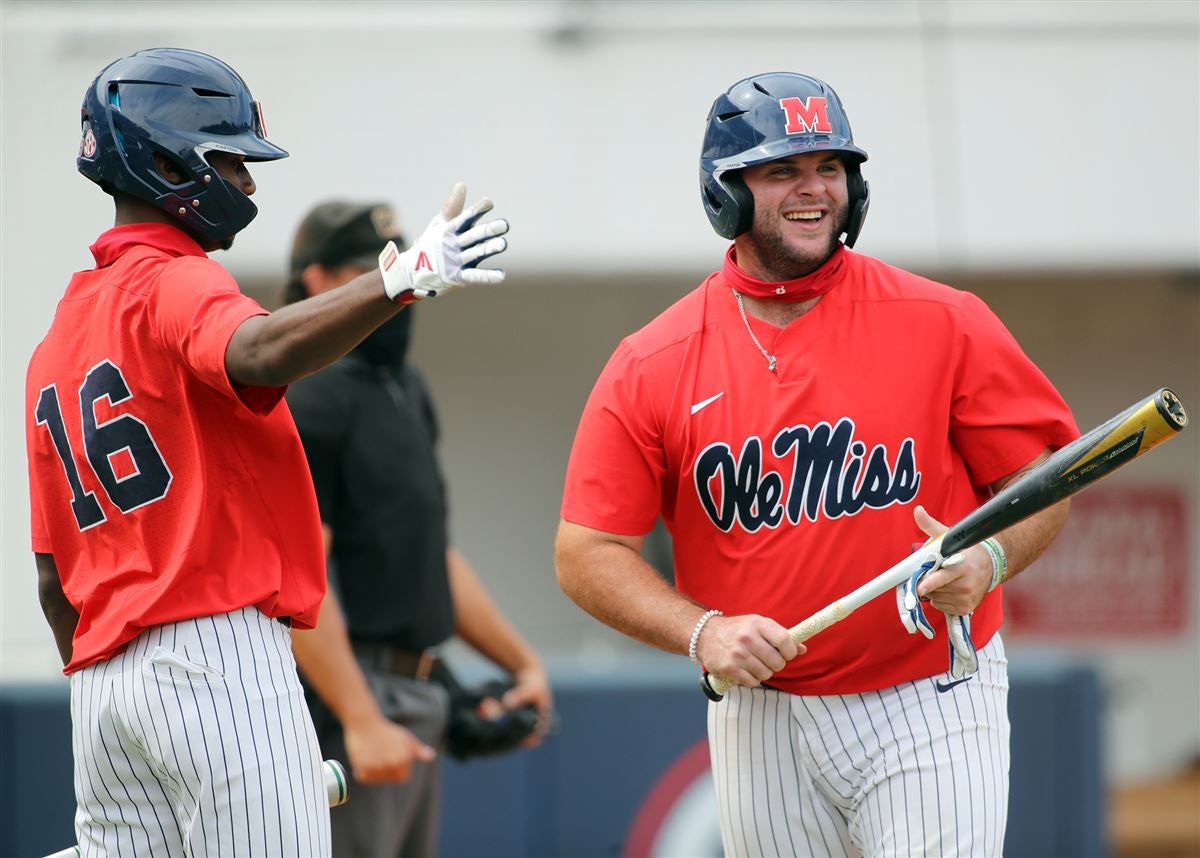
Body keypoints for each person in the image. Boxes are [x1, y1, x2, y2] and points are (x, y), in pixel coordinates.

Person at [555, 71, 1081, 857]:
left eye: (829, 168)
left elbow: (1043, 481)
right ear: (726, 193)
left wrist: (992, 556)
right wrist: (700, 631)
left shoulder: (944, 321)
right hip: (759, 709)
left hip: (928, 690)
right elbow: (585, 552)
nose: (814, 190)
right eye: (782, 170)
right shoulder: (653, 361)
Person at [25, 48, 508, 858]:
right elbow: (254, 352)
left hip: (101, 686)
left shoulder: (55, 341)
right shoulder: (174, 277)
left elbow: (51, 577)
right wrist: (398, 281)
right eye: (228, 160)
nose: (245, 186)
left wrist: (112, 690)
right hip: (216, 660)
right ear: (163, 153)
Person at [282, 200, 554, 858]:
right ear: (318, 279)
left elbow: (431, 557)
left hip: (410, 698)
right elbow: (295, 581)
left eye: (400, 262)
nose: (397, 280)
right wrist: (360, 717)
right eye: (373, 266)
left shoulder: (403, 387)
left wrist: (520, 662)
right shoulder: (310, 392)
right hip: (340, 705)